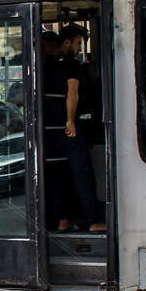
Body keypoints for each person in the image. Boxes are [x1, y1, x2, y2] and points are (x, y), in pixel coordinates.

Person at [42, 32, 102, 232]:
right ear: (66, 42)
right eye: (78, 43)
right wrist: (70, 121)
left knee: (56, 175)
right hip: (66, 128)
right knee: (81, 172)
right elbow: (72, 93)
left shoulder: (43, 65)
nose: (79, 49)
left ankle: (63, 220)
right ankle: (94, 221)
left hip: (48, 130)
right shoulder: (71, 64)